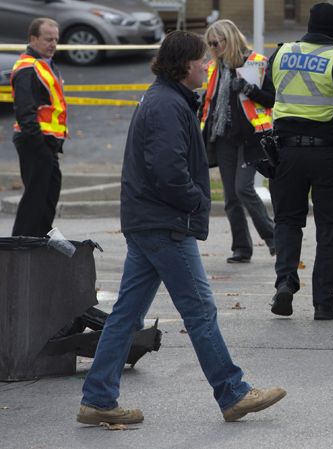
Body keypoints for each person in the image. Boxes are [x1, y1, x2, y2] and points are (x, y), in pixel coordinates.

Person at [77, 31, 285, 425]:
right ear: (184, 65)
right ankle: (233, 392)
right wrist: (195, 201)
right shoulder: (166, 106)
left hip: (150, 221)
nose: (208, 67)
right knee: (200, 310)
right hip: (164, 224)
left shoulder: (166, 100)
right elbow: (167, 170)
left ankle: (98, 398)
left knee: (126, 314)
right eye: (202, 61)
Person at [263, 2, 333, 320]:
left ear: (309, 24)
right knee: (330, 227)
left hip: (285, 154)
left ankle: (285, 282)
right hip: (327, 154)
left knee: (287, 221)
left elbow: (270, 95)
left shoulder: (282, 53)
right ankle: (324, 301)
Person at [202, 19, 276, 263]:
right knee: (230, 197)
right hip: (223, 138)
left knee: (243, 189)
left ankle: (274, 237)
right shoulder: (216, 67)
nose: (213, 48)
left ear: (229, 39)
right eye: (210, 44)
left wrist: (249, 89)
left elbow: (271, 100)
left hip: (251, 138)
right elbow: (210, 101)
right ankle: (241, 248)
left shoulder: (256, 63)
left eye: (216, 43)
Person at [10, 17, 66, 237]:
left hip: (46, 142)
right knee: (35, 198)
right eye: (47, 39)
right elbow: (25, 112)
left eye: (56, 39)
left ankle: (39, 242)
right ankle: (20, 246)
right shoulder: (28, 67)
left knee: (48, 195)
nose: (53, 44)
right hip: (34, 140)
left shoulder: (45, 63)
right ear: (33, 39)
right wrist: (39, 143)